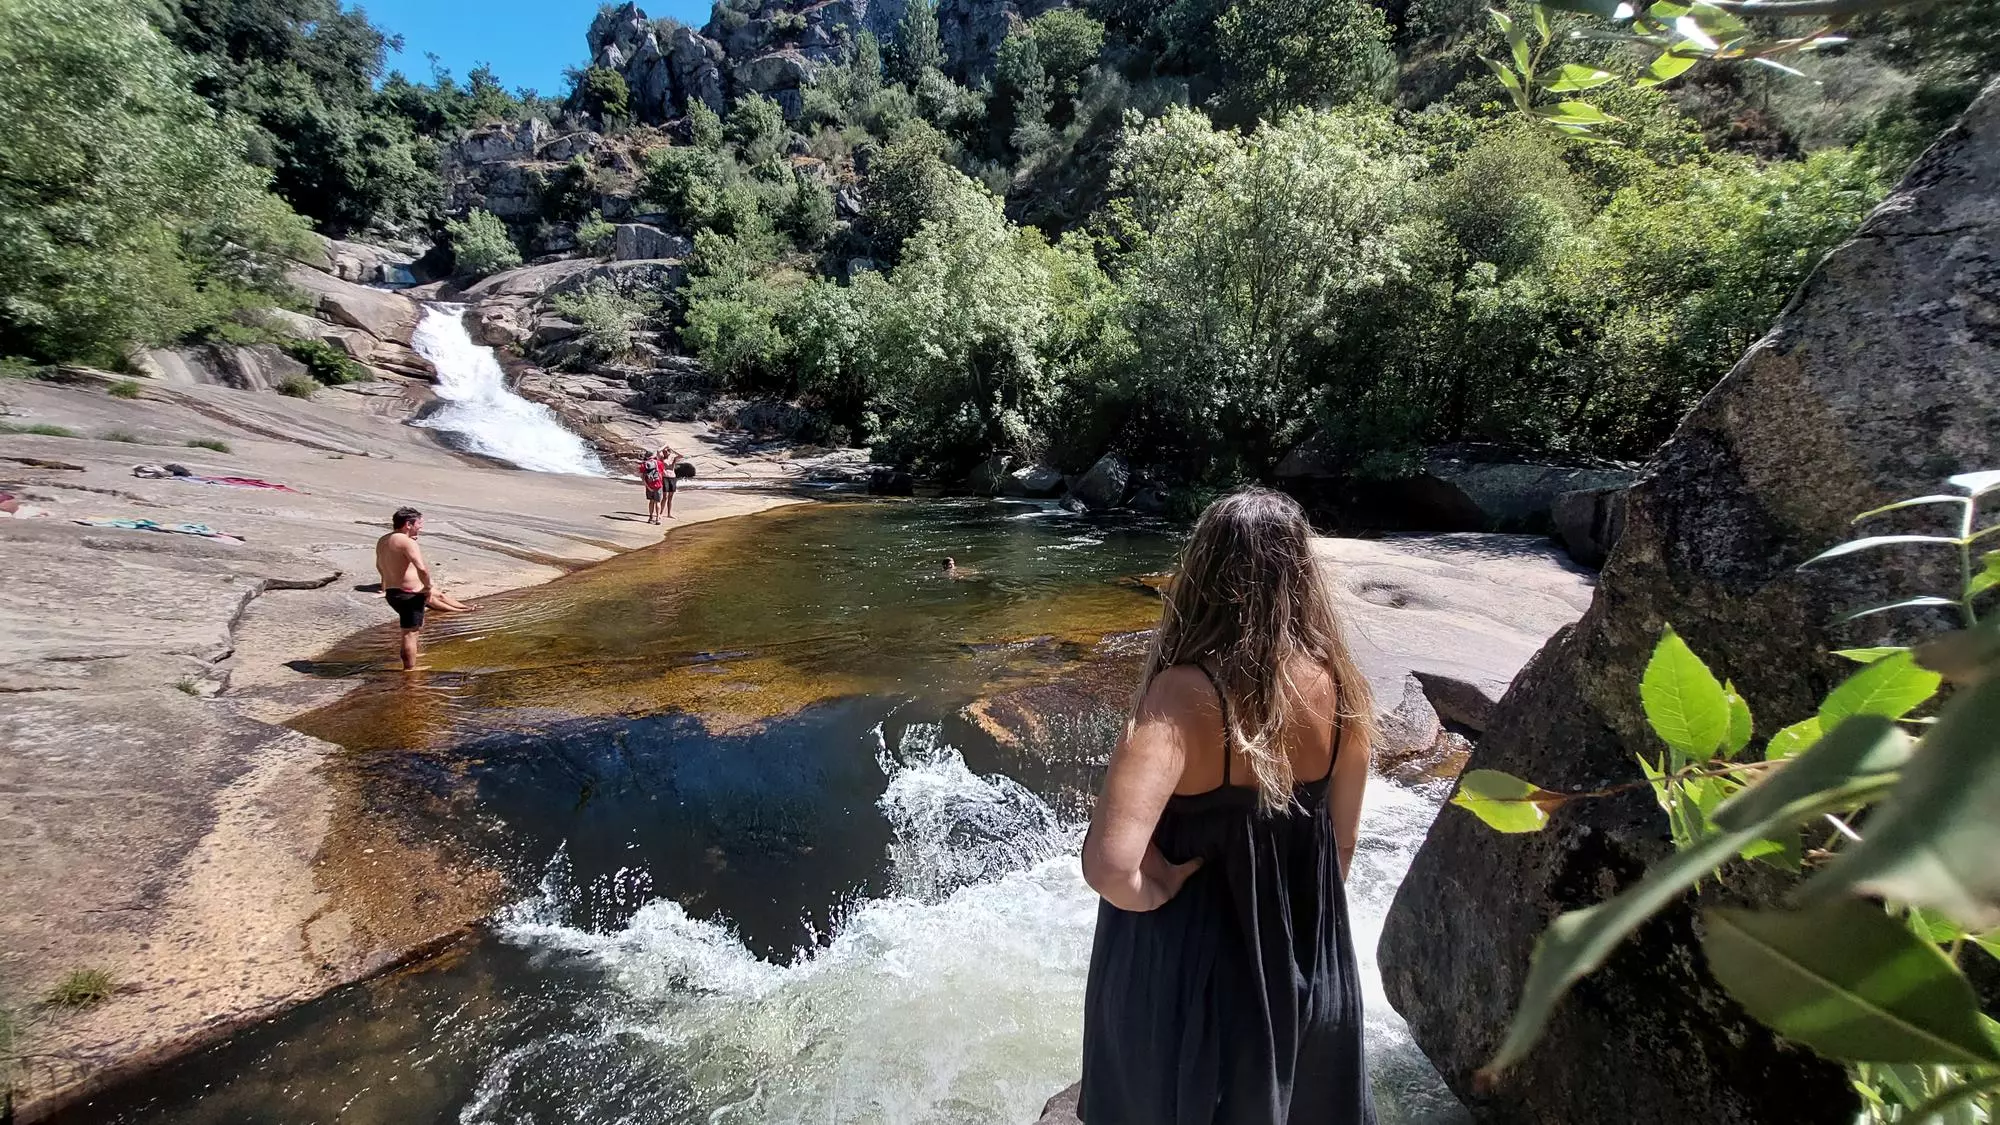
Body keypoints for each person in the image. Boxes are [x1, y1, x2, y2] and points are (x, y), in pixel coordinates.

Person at [1078, 487, 1376, 1125]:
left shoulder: (1184, 693)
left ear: (1202, 572)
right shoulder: (1344, 685)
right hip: (1304, 973)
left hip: (1191, 986)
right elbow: (1340, 848)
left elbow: (1111, 868)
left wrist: (1155, 892)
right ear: (1301, 574)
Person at [375, 507, 473, 670]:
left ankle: (412, 658)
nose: (421, 527)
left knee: (409, 631)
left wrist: (385, 585)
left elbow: (379, 565)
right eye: (419, 524)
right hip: (409, 594)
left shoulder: (383, 540)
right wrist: (427, 587)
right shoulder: (407, 542)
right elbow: (422, 569)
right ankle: (410, 671)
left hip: (392, 593)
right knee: (410, 633)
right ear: (408, 524)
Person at [640, 450, 669, 524]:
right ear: (653, 455)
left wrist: (647, 486)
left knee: (651, 501)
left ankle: (650, 517)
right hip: (658, 485)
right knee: (658, 502)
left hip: (649, 485)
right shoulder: (659, 463)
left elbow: (642, 477)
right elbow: (663, 473)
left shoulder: (644, 464)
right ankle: (658, 518)